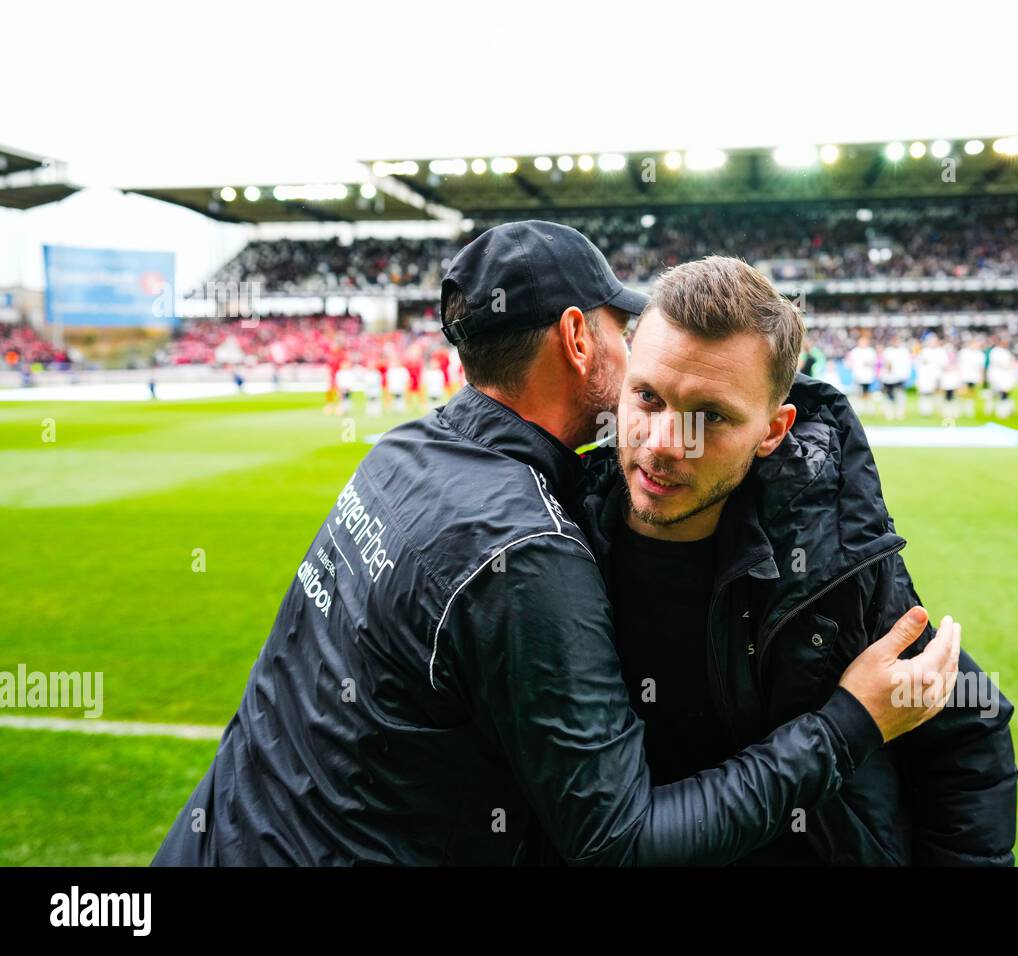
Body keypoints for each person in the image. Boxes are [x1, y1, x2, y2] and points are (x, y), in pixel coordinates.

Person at [152, 222, 957, 867]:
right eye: (620, 329)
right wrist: (850, 721)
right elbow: (620, 841)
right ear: (578, 338)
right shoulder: (526, 547)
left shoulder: (396, 454)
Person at [579, 258, 1016, 865]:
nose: (662, 445)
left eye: (711, 417)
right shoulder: (556, 545)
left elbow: (969, 726)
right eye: (647, 397)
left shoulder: (831, 561)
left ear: (773, 429)